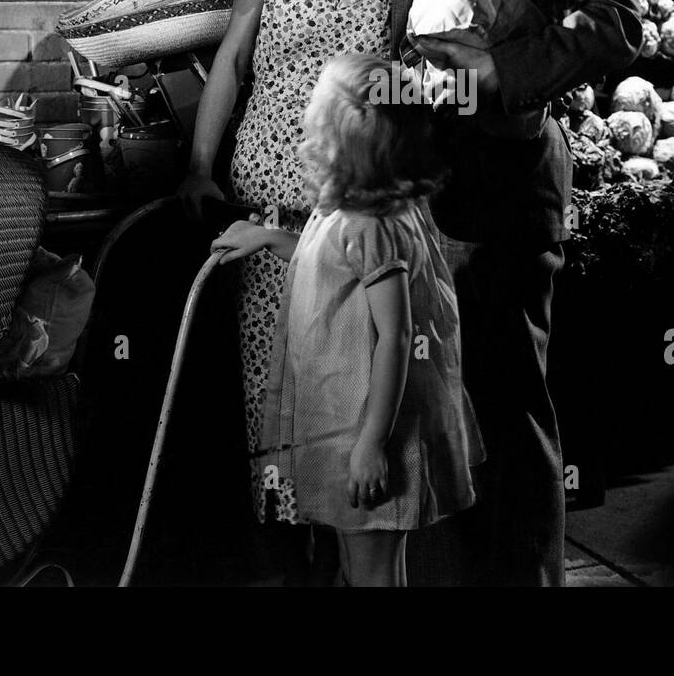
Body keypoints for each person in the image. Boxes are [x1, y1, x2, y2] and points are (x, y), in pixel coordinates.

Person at [249, 0, 645, 586]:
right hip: (426, 204)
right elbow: (408, 58)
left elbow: (612, 27)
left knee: (507, 411)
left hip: (504, 197)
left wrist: (480, 80)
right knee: (442, 418)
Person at [177, 0, 442, 545]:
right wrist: (201, 165)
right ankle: (294, 557)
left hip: (349, 229)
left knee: (347, 402)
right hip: (262, 223)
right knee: (275, 414)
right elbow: (230, 60)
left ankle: (352, 553)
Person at [207, 53, 483, 587]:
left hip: (371, 428)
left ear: (348, 131)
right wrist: (267, 238)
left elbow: (397, 337)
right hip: (342, 420)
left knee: (374, 573)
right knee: (363, 568)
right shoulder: (350, 207)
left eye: (319, 103)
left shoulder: (373, 221)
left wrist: (371, 445)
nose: (309, 111)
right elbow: (331, 264)